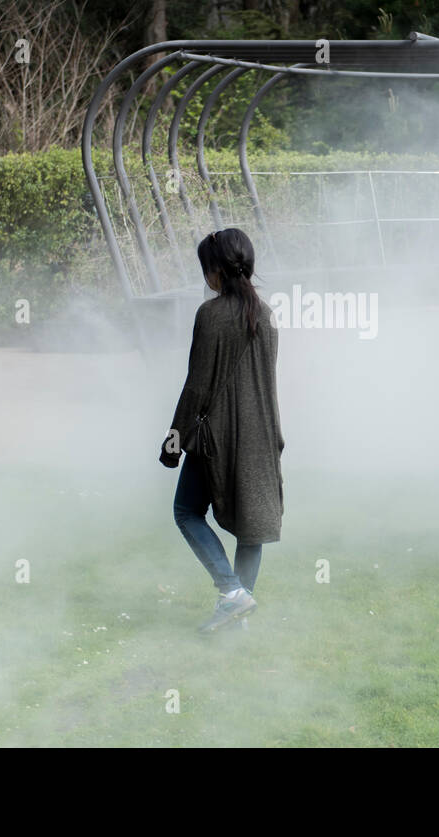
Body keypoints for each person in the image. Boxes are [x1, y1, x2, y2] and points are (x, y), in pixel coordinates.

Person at [160, 228, 285, 632]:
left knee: (186, 511)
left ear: (215, 269)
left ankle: (232, 594)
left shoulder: (210, 315)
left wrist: (174, 440)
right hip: (261, 436)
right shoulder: (265, 313)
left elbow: (197, 386)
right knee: (252, 529)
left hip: (216, 439)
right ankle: (237, 614)